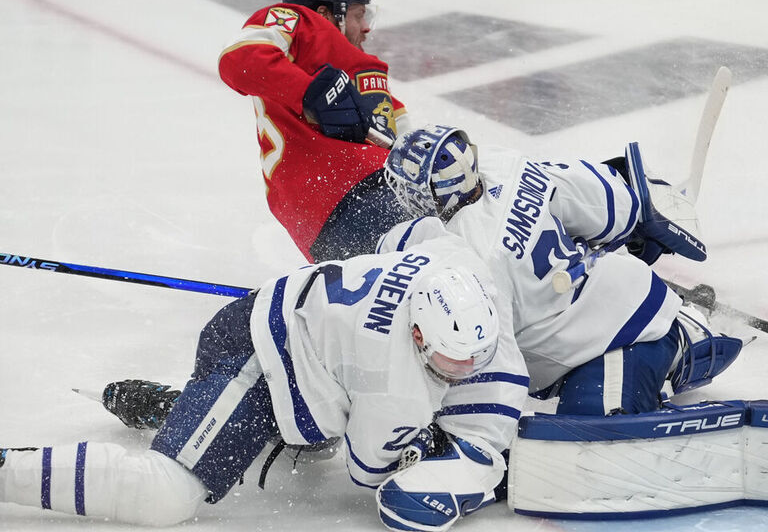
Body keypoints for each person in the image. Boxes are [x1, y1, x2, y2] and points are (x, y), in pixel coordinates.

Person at [0, 234, 530, 531]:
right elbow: (369, 470)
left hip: (281, 332)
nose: (468, 370)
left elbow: (407, 237)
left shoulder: (454, 265)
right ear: (416, 331)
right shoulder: (397, 389)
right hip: (257, 365)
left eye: (475, 357)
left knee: (315, 447)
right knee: (163, 496)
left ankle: (176, 410)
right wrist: (428, 448)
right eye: (453, 361)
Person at [382, 124, 743, 415]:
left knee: (595, 432)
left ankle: (680, 342)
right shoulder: (504, 165)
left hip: (616, 337)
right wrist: (635, 226)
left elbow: (494, 363)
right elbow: (607, 203)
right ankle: (676, 332)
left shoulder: (473, 258)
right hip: (613, 299)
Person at [219, 0, 412, 263]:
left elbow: (409, 141)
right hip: (348, 196)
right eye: (359, 14)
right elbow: (240, 60)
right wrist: (310, 93)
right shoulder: (298, 22)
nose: (366, 27)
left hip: (350, 205)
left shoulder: (364, 73)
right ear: (326, 13)